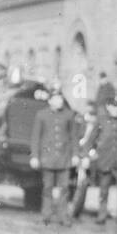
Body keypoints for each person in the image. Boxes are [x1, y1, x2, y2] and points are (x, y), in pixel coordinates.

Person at [82, 94, 117, 225]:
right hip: (105, 160)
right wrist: (87, 154)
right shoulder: (101, 121)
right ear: (108, 107)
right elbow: (91, 139)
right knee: (103, 190)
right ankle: (102, 214)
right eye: (114, 106)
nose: (116, 109)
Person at [29, 89, 79, 226]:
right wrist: (35, 156)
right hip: (47, 158)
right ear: (50, 101)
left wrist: (75, 155)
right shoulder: (42, 115)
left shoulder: (69, 115)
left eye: (61, 99)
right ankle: (46, 215)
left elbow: (73, 136)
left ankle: (63, 217)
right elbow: (36, 137)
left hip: (64, 158)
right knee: (47, 188)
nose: (60, 101)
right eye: (56, 99)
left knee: (64, 189)